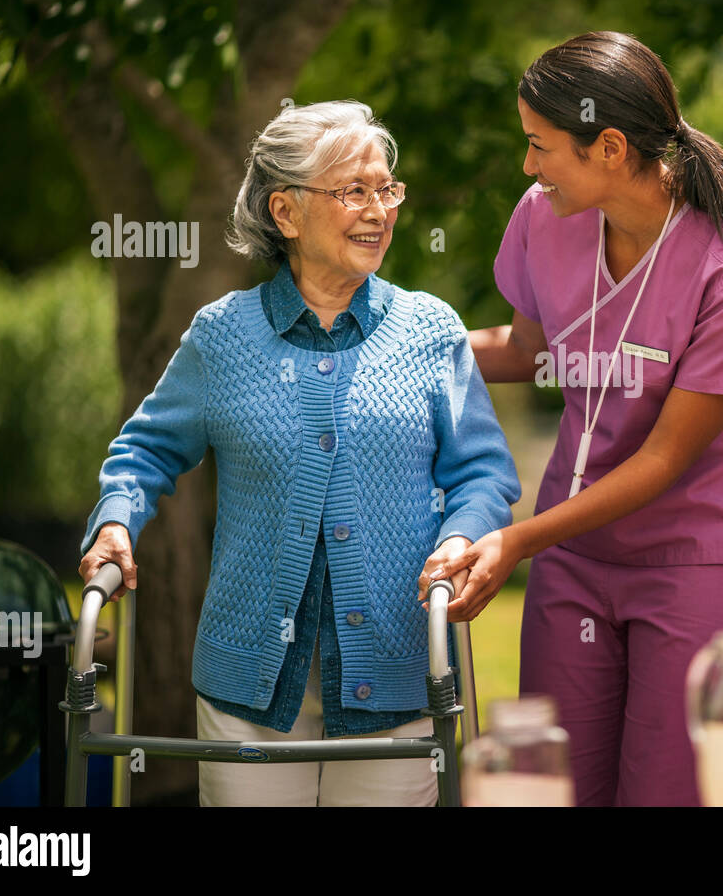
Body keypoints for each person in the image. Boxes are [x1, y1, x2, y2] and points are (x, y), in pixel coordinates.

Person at [78, 99, 520, 806]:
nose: (378, 210)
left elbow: (483, 472)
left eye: (386, 189)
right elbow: (145, 449)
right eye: (353, 191)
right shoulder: (223, 335)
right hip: (246, 682)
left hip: (397, 671)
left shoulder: (430, 330)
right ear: (285, 213)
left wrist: (461, 534)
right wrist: (114, 522)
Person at [420, 32, 723, 806]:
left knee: (666, 789)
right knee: (552, 787)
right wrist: (401, 350)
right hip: (574, 552)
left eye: (540, 146)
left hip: (697, 555)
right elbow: (526, 347)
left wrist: (518, 539)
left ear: (611, 147)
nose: (528, 166)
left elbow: (662, 461)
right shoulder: (544, 217)